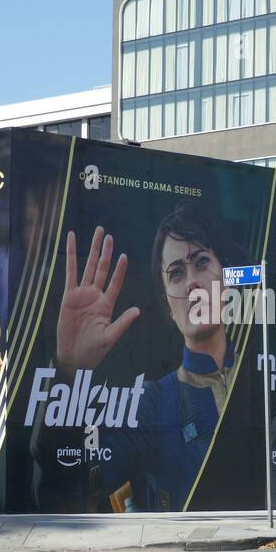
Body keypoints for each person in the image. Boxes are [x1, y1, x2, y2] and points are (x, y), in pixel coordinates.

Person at [31, 202, 241, 513]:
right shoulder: (155, 402)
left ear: (227, 278)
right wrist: (68, 370)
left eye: (201, 262)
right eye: (176, 273)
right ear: (168, 306)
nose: (192, 283)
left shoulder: (259, 377)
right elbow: (69, 493)